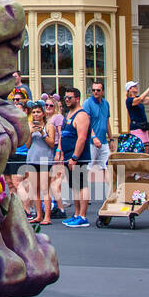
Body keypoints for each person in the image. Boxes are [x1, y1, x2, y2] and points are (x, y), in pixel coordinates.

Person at [58, 86, 92, 227]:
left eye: (69, 97)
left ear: (77, 98)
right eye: (65, 97)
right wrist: (61, 153)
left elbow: (82, 138)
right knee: (75, 186)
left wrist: (75, 157)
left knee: (81, 185)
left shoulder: (81, 115)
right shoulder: (69, 114)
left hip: (78, 157)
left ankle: (83, 216)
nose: (67, 100)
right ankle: (77, 213)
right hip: (68, 156)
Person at [24, 100, 55, 225]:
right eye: (34, 112)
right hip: (32, 159)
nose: (36, 114)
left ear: (43, 114)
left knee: (45, 189)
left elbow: (52, 143)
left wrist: (42, 132)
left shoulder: (49, 126)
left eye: (38, 112)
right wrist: (30, 133)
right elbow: (27, 145)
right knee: (35, 189)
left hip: (45, 159)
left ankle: (47, 216)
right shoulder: (30, 126)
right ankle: (39, 215)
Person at [124, 79, 149, 145]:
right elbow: (140, 99)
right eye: (134, 86)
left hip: (143, 126)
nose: (136, 87)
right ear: (130, 89)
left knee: (146, 146)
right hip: (136, 127)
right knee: (140, 146)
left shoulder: (138, 98)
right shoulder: (129, 100)